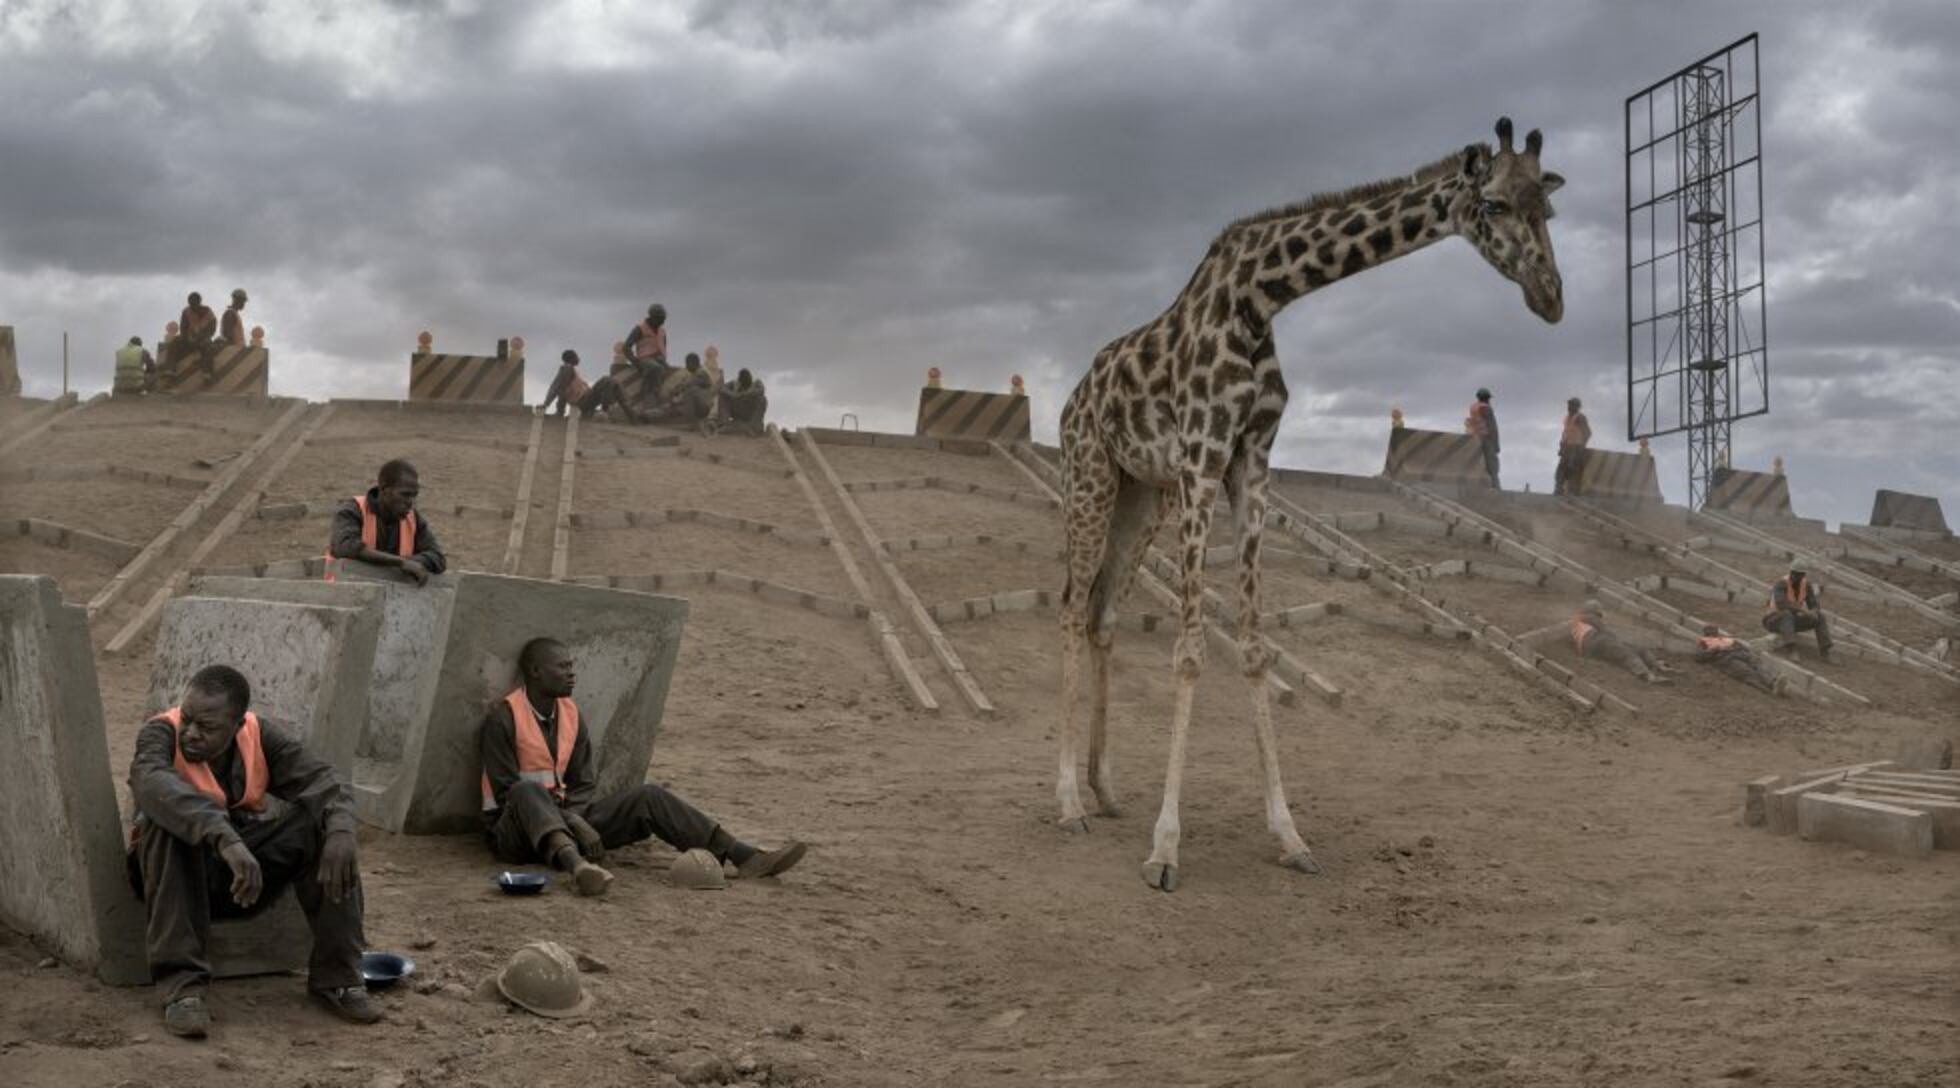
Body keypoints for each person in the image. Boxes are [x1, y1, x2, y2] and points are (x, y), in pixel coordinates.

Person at [126, 665, 379, 1037]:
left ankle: (338, 978)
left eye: (207, 728)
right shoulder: (159, 733)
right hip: (170, 877)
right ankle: (182, 990)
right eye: (188, 720)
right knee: (164, 826)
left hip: (240, 875)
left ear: (237, 725)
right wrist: (223, 836)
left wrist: (341, 830)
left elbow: (323, 779)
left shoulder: (259, 736)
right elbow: (150, 782)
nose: (191, 733)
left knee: (320, 826)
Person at [480, 638, 808, 896]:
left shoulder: (570, 715)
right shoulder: (503, 719)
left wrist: (577, 818)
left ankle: (744, 856)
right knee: (526, 789)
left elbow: (583, 783)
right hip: (517, 836)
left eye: (572, 665)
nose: (571, 673)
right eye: (562, 666)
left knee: (648, 796)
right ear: (535, 671)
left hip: (571, 824)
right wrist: (572, 822)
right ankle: (579, 869)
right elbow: (508, 793)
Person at [326, 459, 445, 585]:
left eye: (414, 496)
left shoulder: (413, 519)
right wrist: (400, 562)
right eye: (405, 495)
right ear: (383, 490)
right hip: (341, 593)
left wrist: (409, 562)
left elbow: (437, 558)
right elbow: (345, 547)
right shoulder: (353, 509)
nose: (411, 502)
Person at [1569, 598, 1674, 684]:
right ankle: (1648, 674)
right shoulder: (1587, 617)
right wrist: (1618, 641)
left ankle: (1655, 664)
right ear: (1594, 611)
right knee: (1626, 653)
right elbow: (1605, 631)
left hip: (1591, 648)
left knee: (1637, 649)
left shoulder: (1577, 621)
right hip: (1597, 640)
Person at [1762, 565, 1832, 660]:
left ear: (1803, 575)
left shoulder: (1806, 585)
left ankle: (1825, 651)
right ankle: (1791, 649)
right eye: (1794, 574)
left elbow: (1814, 604)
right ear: (1791, 572)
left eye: (1799, 575)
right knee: (1786, 613)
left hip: (1791, 622)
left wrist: (1814, 611)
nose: (1795, 577)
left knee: (1820, 616)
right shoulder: (1781, 583)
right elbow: (1782, 604)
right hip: (1773, 620)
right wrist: (1803, 611)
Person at [1695, 624, 1788, 695]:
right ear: (1705, 633)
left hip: (1739, 653)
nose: (1712, 632)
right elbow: (1699, 657)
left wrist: (1745, 653)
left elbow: (1744, 648)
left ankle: (1772, 682)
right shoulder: (1703, 641)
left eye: (1714, 630)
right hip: (1725, 657)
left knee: (1757, 665)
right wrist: (1713, 650)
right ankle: (1769, 690)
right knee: (1746, 671)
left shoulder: (1726, 639)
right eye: (1710, 631)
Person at [172, 292, 219, 379]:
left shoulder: (208, 312)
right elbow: (183, 328)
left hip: (203, 339)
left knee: (209, 346)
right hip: (189, 339)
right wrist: (187, 338)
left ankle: (207, 372)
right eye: (191, 303)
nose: (193, 306)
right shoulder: (186, 312)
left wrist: (202, 338)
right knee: (174, 342)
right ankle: (170, 370)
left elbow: (212, 328)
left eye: (195, 303)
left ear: (199, 302)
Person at [1553, 396, 1591, 495]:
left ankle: (1571, 490)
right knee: (1561, 469)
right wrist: (1561, 446)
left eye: (1572, 405)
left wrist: (1582, 446)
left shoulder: (1580, 417)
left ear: (1577, 407)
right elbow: (1565, 432)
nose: (1569, 407)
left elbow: (1587, 432)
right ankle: (1559, 488)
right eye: (1569, 404)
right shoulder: (1567, 418)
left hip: (1576, 447)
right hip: (1567, 447)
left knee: (1571, 468)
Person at [541, 349, 592, 418]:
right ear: (571, 359)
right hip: (583, 400)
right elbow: (556, 388)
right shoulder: (567, 369)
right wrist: (546, 404)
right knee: (561, 389)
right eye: (576, 357)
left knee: (562, 389)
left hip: (584, 399)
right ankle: (560, 412)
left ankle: (560, 412)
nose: (578, 359)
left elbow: (559, 389)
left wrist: (546, 404)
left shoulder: (572, 370)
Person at [1466, 387, 1500, 488]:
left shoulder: (1473, 407)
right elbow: (1492, 426)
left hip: (1476, 436)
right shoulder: (1486, 408)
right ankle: (1495, 485)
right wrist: (1496, 444)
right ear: (1487, 398)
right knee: (1492, 462)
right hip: (1486, 437)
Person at [719, 368, 769, 436]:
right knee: (723, 396)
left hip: (750, 411)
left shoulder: (756, 383)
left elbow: (762, 390)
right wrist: (734, 394)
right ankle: (724, 423)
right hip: (738, 409)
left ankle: (754, 427)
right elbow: (722, 388)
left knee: (763, 399)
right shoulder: (734, 383)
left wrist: (748, 393)